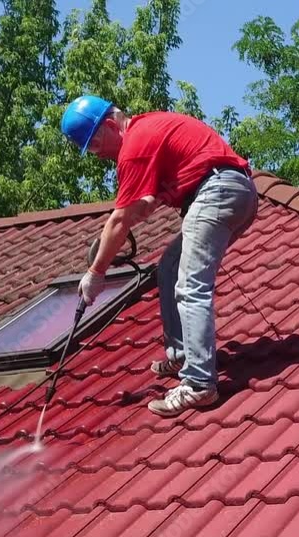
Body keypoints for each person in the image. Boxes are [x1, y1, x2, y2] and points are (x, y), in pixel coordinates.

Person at [60, 94, 259, 417]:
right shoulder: (147, 129)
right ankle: (181, 354)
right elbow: (146, 201)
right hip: (235, 191)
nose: (97, 155)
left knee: (190, 285)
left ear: (110, 125)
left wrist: (96, 273)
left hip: (218, 190)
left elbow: (119, 221)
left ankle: (199, 383)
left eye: (94, 145)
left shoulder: (134, 145)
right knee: (169, 267)